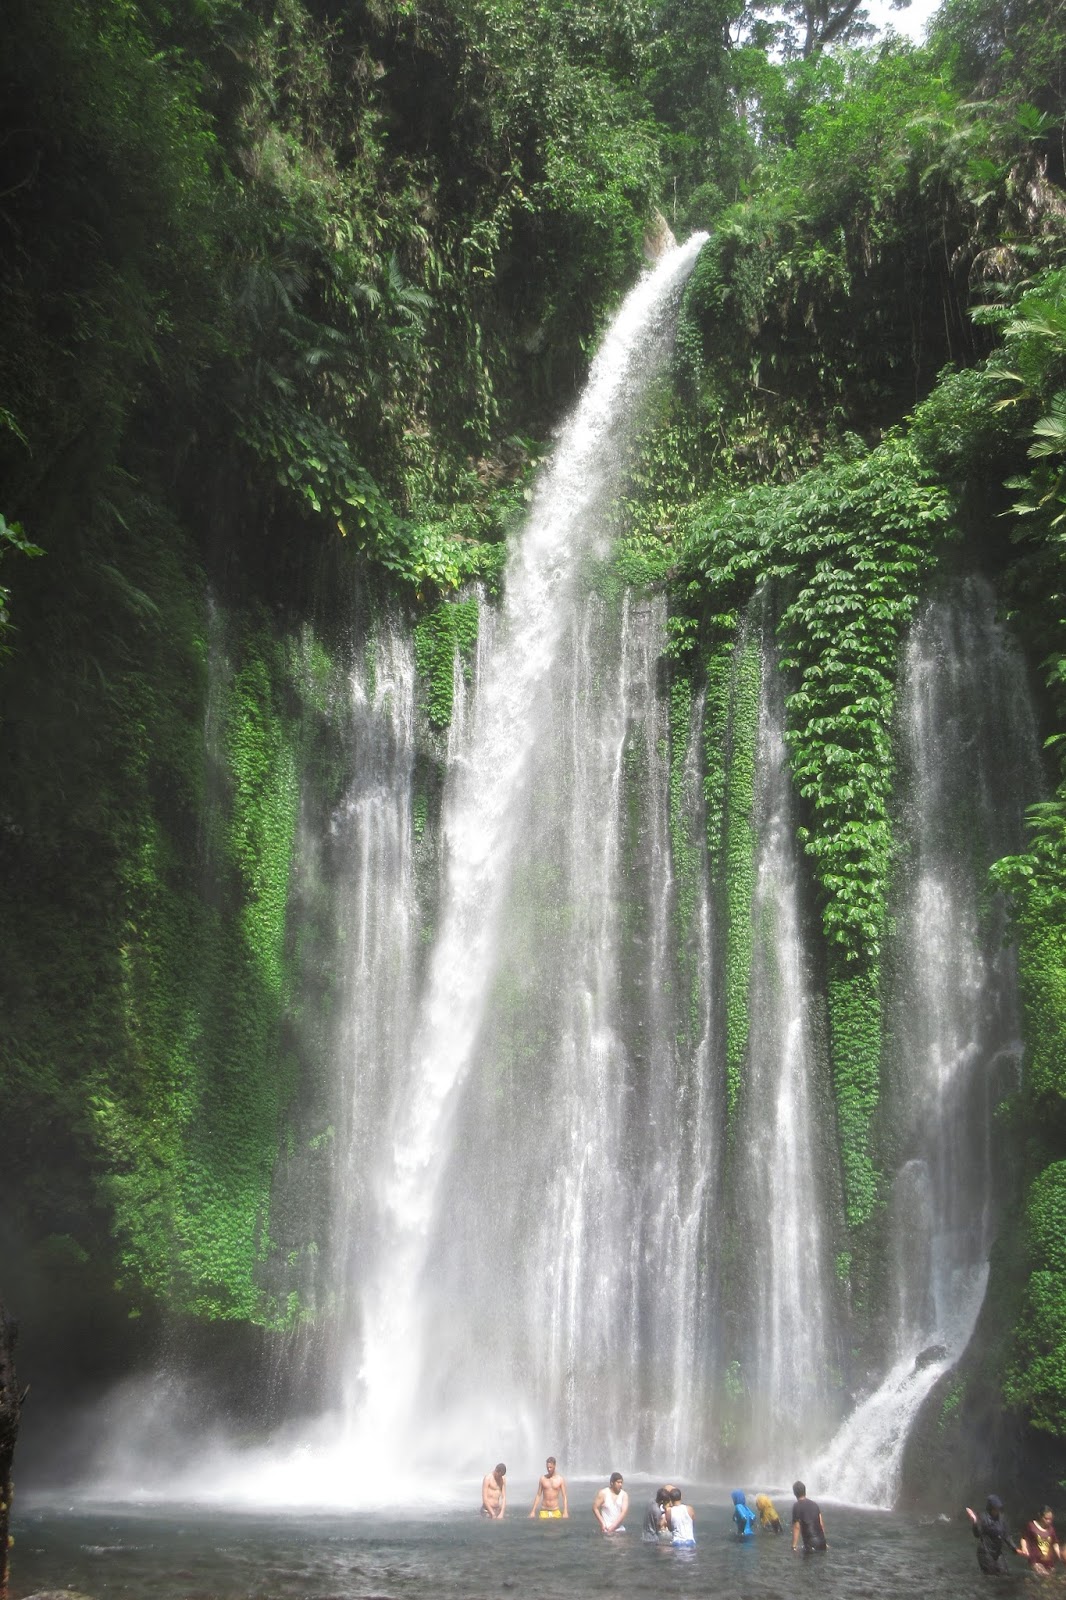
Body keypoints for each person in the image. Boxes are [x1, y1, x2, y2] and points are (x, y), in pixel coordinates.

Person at [966, 1495, 1020, 1574]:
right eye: (995, 1509)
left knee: (1005, 1573)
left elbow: (1006, 1536)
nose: (997, 1511)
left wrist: (1015, 1549)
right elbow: (977, 1534)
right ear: (990, 1508)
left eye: (998, 1509)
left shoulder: (1001, 1519)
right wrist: (974, 1521)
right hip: (985, 1552)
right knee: (991, 1576)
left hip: (997, 1552)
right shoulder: (983, 1517)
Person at [1020, 1505, 1060, 1574]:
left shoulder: (1051, 1529)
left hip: (1049, 1562)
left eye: (1050, 1519)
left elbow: (1055, 1543)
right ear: (1040, 1516)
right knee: (1045, 1577)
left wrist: (1059, 1554)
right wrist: (1024, 1548)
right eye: (1046, 1519)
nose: (1049, 1521)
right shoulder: (1031, 1526)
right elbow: (1024, 1538)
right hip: (1035, 1561)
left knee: (1054, 1578)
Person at [791, 1481, 828, 1553]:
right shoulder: (814, 1504)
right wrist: (824, 1542)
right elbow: (821, 1524)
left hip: (810, 1545)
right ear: (805, 1491)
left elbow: (796, 1527)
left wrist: (794, 1546)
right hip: (822, 1543)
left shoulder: (796, 1506)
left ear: (794, 1493)